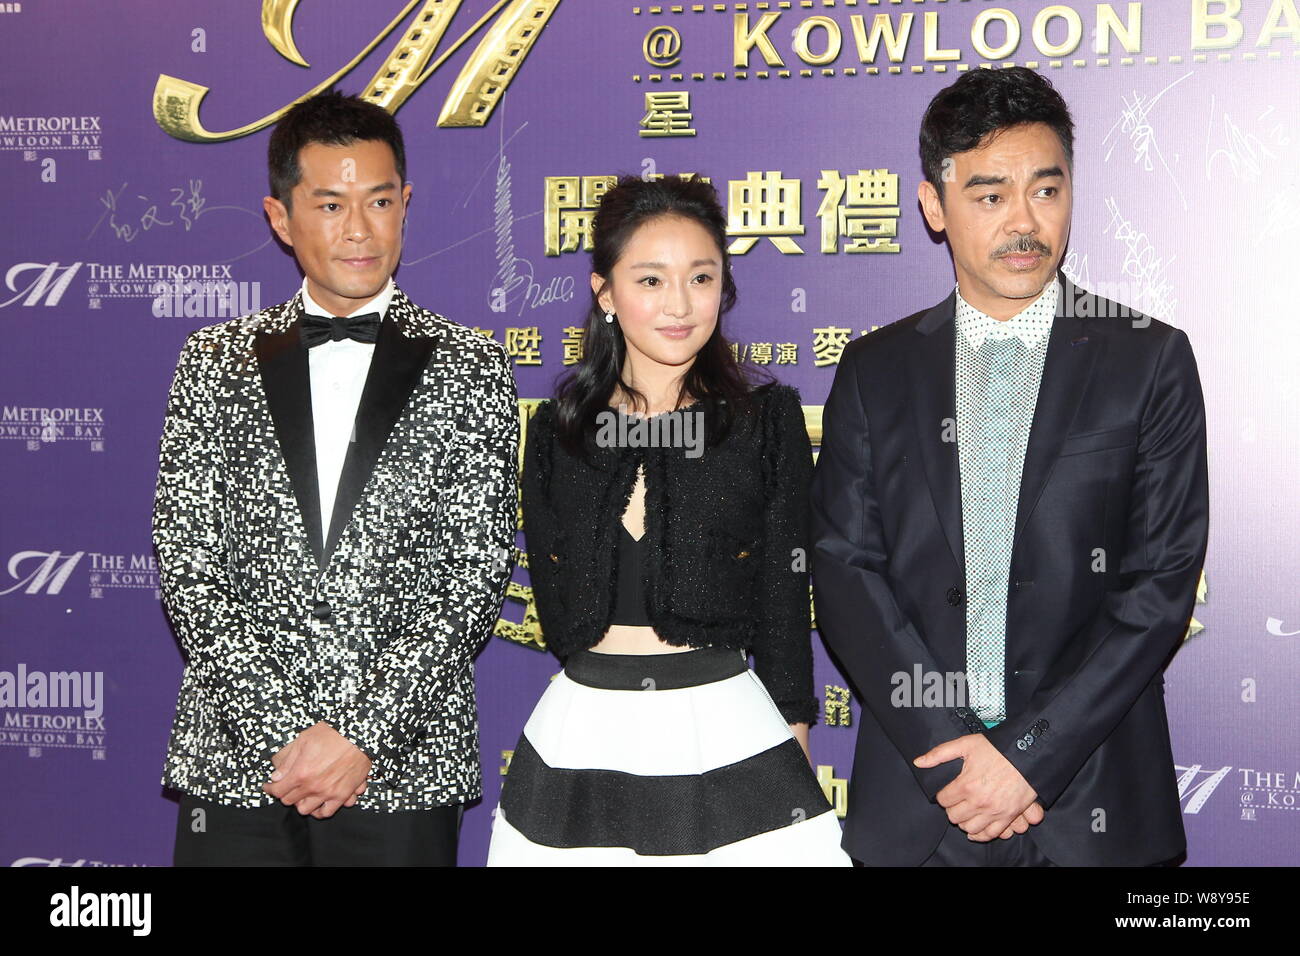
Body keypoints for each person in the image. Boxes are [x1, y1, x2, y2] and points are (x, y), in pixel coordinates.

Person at [811, 67, 1209, 866]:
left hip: (1092, 803)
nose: (1024, 222)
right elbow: (844, 570)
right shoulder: (875, 369)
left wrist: (1026, 758)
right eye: (990, 196)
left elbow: (1159, 587)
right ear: (935, 206)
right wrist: (959, 757)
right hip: (926, 801)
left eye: (1046, 191)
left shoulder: (1149, 359)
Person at [153, 90, 518, 866]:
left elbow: (471, 579)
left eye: (379, 201)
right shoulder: (211, 364)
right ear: (281, 218)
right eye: (330, 204)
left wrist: (359, 734)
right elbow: (189, 568)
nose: (359, 229)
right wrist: (281, 733)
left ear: (406, 205)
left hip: (400, 770)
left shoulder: (474, 366)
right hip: (236, 767)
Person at [486, 174, 850, 865]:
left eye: (701, 278)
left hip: (726, 725)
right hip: (581, 734)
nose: (680, 304)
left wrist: (793, 736)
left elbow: (782, 598)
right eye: (650, 280)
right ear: (605, 294)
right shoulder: (558, 433)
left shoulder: (762, 423)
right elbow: (562, 616)